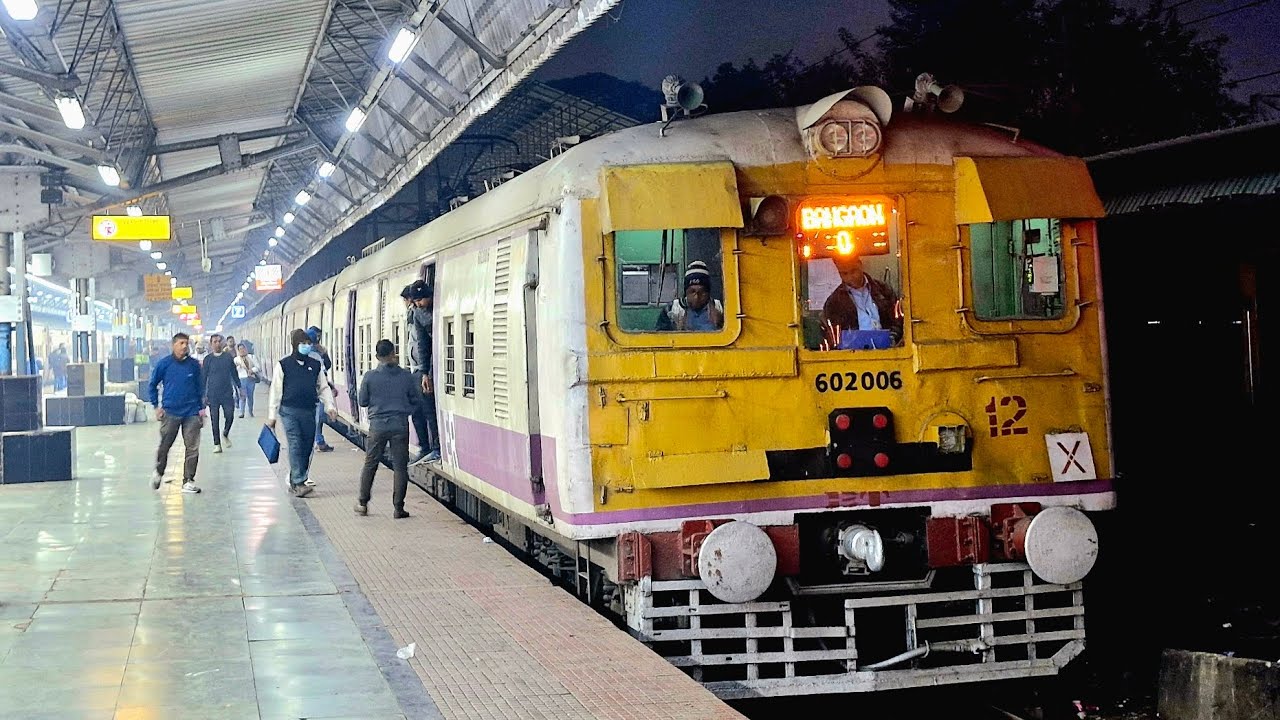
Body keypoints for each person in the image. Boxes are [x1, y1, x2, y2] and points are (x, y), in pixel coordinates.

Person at [267, 329, 337, 497]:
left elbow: (323, 387)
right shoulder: (283, 365)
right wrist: (272, 416)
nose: (306, 346)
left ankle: (296, 480)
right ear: (294, 345)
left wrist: (329, 406)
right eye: (303, 343)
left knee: (307, 446)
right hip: (289, 411)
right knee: (295, 443)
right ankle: (299, 482)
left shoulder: (315, 365)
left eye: (308, 343)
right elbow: (276, 391)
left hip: (309, 410)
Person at [356, 339, 421, 519]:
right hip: (399, 424)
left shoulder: (370, 377)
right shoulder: (406, 376)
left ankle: (363, 503)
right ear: (394, 353)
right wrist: (405, 410)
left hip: (377, 426)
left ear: (377, 356)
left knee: (371, 464)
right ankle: (398, 508)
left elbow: (362, 401)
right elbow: (415, 400)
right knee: (400, 467)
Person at [148, 332, 204, 494]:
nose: (184, 346)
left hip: (192, 412)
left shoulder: (194, 365)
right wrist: (156, 406)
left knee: (192, 447)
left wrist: (201, 410)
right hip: (170, 412)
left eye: (186, 343)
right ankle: (159, 471)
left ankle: (188, 480)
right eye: (181, 343)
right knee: (165, 445)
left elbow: (200, 387)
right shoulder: (164, 364)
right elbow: (152, 385)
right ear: (173, 345)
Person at [820, 255, 903, 346]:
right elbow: (832, 335)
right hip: (853, 353)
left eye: (853, 271)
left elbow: (898, 319)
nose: (850, 277)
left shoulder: (884, 290)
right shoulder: (834, 303)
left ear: (860, 265)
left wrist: (892, 338)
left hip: (889, 349)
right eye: (844, 274)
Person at [405, 281, 440, 464]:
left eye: (421, 300)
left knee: (430, 410)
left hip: (441, 361)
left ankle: (436, 448)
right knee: (421, 407)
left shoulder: (439, 307)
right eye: (416, 301)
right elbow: (422, 344)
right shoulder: (418, 314)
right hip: (424, 367)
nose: (418, 304)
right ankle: (428, 447)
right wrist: (425, 372)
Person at [656, 260, 724, 332]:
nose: (696, 297)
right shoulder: (672, 310)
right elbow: (660, 335)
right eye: (692, 292)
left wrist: (720, 322)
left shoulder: (720, 307)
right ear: (686, 292)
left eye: (702, 292)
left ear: (708, 292)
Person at [201, 333, 239, 453]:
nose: (217, 344)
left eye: (219, 341)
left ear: (222, 343)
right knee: (214, 419)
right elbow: (203, 377)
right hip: (212, 394)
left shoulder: (228, 357)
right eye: (215, 342)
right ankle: (217, 443)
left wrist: (239, 387)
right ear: (211, 344)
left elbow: (234, 373)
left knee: (230, 415)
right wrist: (203, 395)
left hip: (227, 393)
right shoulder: (208, 359)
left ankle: (225, 432)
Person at [305, 326, 336, 453]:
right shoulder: (316, 355)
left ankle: (318, 441)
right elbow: (325, 368)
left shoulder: (304, 354)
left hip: (308, 392)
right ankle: (319, 441)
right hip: (316, 392)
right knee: (318, 417)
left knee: (316, 417)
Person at [234, 343, 262, 418]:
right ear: (238, 350)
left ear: (246, 349)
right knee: (242, 396)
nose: (242, 350)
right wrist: (238, 367)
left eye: (243, 348)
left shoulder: (252, 357)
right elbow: (234, 371)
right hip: (241, 379)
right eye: (240, 349)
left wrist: (252, 370)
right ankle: (242, 412)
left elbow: (258, 367)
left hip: (251, 379)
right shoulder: (236, 360)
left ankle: (250, 411)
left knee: (250, 396)